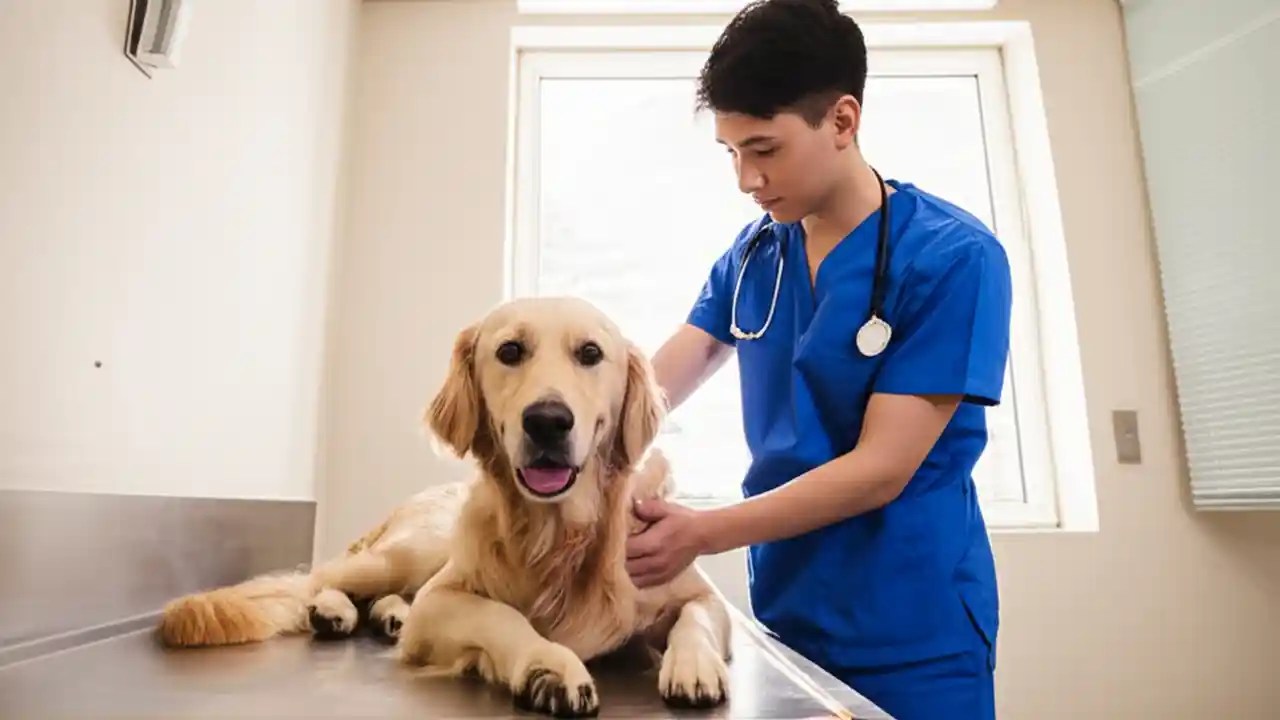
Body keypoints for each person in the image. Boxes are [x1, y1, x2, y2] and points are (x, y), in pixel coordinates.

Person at [622, 1, 1013, 718]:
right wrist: (559, 433)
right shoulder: (751, 258)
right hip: (791, 616)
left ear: (842, 120)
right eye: (732, 152)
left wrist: (701, 532)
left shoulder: (954, 259)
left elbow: (879, 470)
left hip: (912, 633)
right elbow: (644, 391)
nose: (745, 177)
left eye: (764, 150)